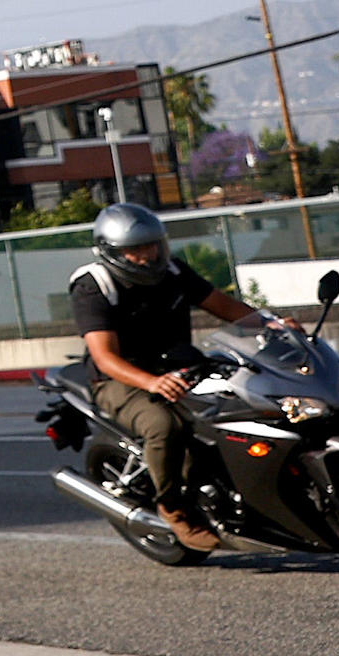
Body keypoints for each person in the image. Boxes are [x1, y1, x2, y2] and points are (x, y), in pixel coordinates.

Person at [67, 199, 266, 553]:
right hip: (119, 380)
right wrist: (151, 383)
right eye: (135, 250)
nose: (147, 255)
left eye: (152, 245)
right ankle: (173, 505)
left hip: (179, 367)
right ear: (112, 252)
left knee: (241, 404)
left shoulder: (173, 271)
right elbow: (105, 356)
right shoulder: (93, 286)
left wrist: (275, 325)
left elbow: (225, 307)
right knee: (164, 425)